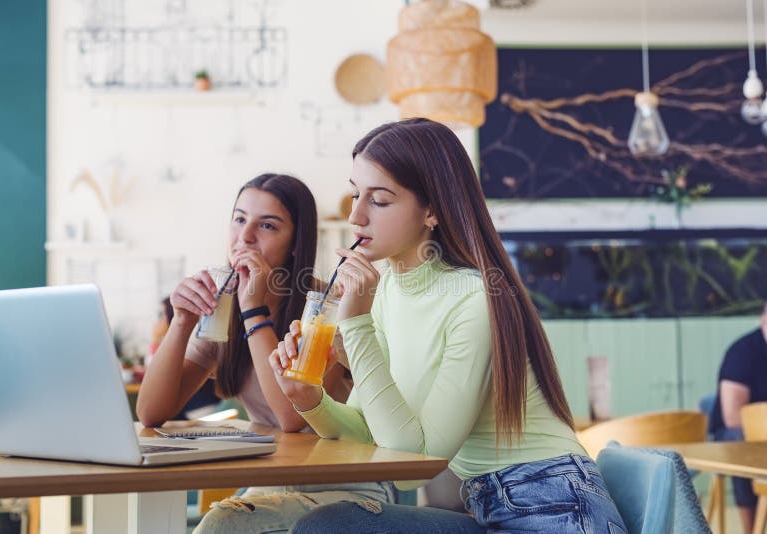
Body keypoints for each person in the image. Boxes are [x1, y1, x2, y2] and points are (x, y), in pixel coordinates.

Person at [268, 119, 627, 533]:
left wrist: (357, 325)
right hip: (485, 507)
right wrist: (310, 399)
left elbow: (414, 469)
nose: (356, 216)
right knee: (327, 525)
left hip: (555, 506)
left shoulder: (475, 299)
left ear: (432, 210)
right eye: (355, 194)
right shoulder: (384, 294)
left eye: (379, 201)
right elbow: (372, 433)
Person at [136, 173, 394, 534]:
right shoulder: (223, 309)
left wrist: (253, 310)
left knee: (220, 525)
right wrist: (181, 321)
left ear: (294, 243)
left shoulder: (325, 309)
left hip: (344, 489)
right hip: (275, 482)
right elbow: (151, 412)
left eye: (267, 225)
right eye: (239, 219)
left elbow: (292, 416)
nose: (245, 236)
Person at [709, 300, 767, 533]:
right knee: (742, 444)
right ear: (764, 319)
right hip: (734, 434)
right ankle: (751, 528)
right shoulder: (742, 352)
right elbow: (732, 418)